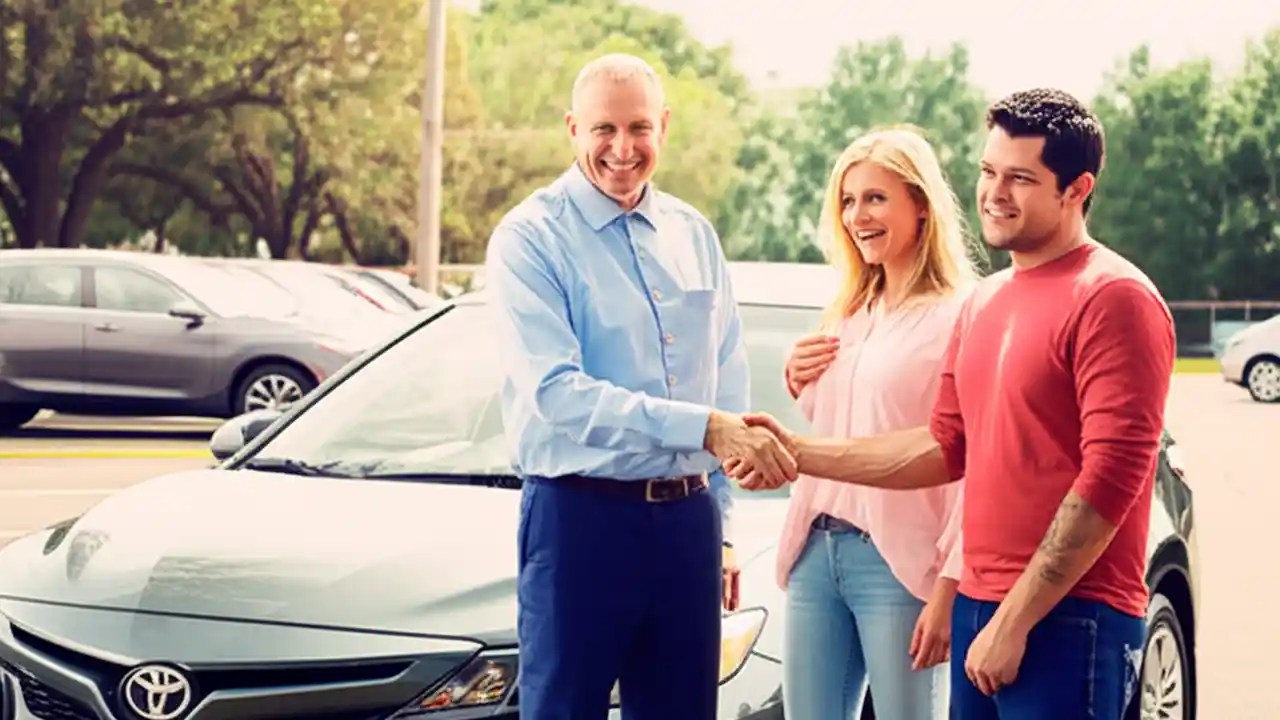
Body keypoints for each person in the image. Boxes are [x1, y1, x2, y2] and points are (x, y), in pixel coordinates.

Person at [730, 88, 1176, 720]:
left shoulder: (1113, 296)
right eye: (989, 171)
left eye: (1021, 178)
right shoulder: (988, 302)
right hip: (980, 608)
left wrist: (1014, 619)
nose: (995, 192)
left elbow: (1111, 480)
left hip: (1072, 617)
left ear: (1076, 189)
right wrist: (795, 451)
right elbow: (942, 448)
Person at [483, 52, 797, 720]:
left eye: (639, 128)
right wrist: (704, 428)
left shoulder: (694, 233)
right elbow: (557, 392)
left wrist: (724, 525)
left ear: (664, 127)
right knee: (565, 710)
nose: (622, 149)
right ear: (572, 129)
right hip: (578, 522)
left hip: (689, 524)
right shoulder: (529, 239)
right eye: (603, 129)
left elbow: (727, 381)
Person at [762, 125, 977, 719]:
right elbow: (843, 428)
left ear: (921, 206)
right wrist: (796, 380)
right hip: (815, 554)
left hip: (901, 566)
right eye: (849, 201)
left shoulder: (963, 315)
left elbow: (971, 462)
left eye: (876, 198)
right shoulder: (847, 312)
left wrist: (950, 585)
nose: (859, 216)